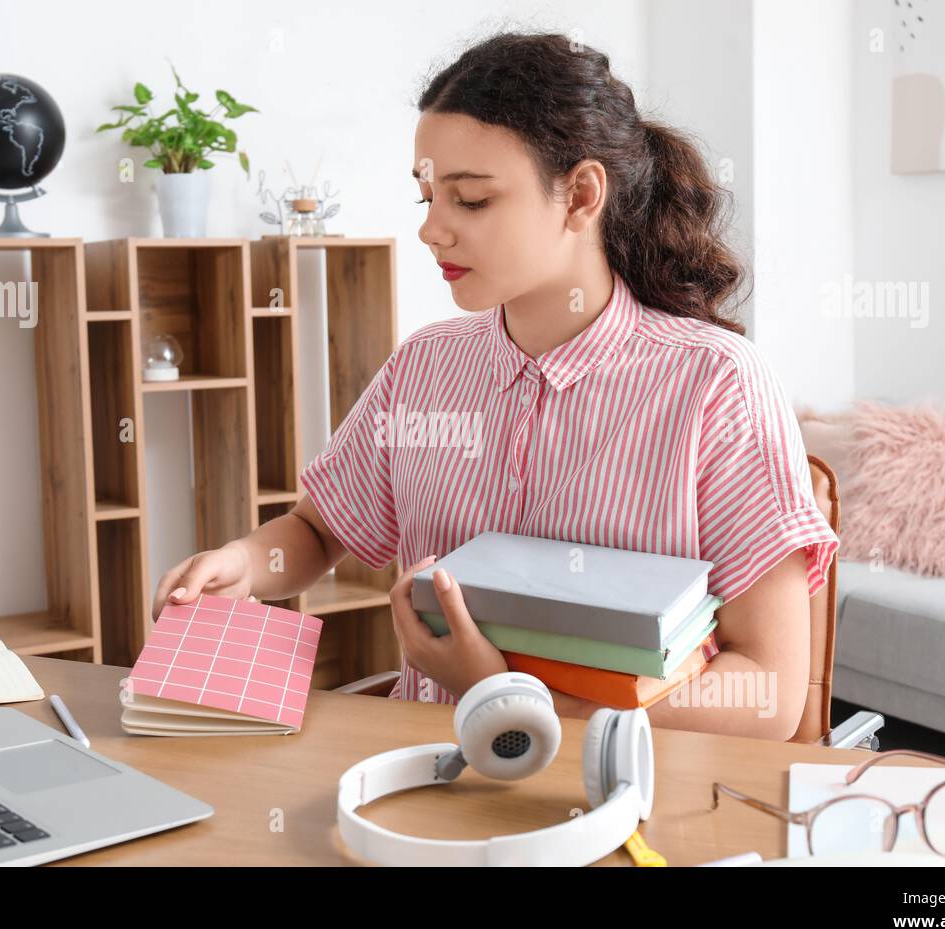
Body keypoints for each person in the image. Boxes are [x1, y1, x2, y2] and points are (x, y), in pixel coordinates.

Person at [151, 31, 839, 739]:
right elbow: (316, 531)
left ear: (579, 195)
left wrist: (514, 697)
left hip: (623, 802)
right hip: (424, 775)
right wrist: (241, 563)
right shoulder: (424, 367)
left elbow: (769, 692)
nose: (431, 230)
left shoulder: (714, 384)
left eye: (471, 200)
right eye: (426, 197)